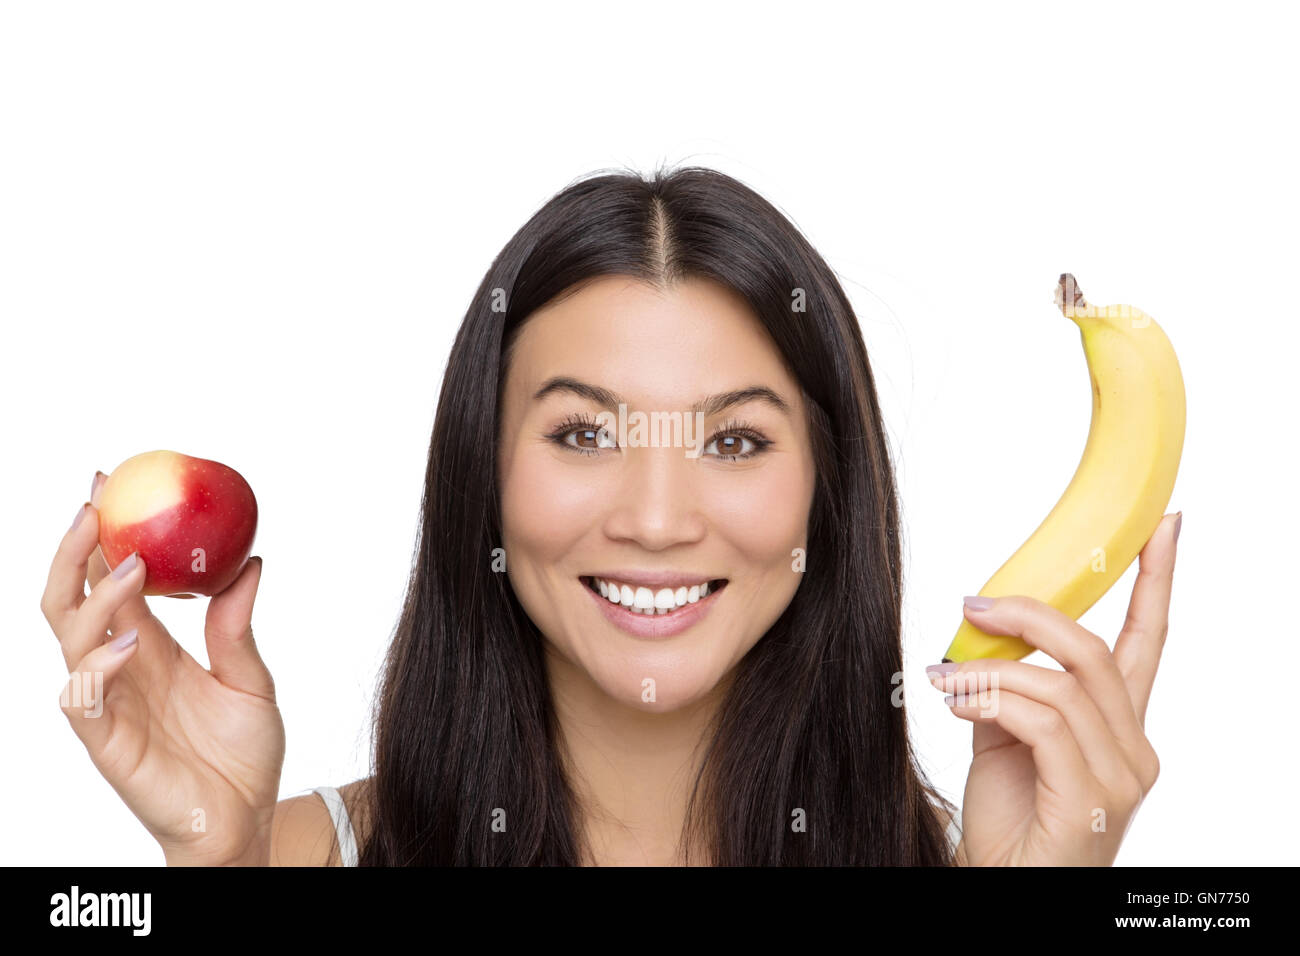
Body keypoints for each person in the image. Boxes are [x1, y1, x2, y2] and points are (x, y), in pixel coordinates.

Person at [42, 165, 1175, 865]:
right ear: (479, 479)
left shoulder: (983, 858)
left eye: (733, 439)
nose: (654, 515)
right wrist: (213, 857)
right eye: (583, 433)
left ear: (830, 493)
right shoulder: (285, 857)